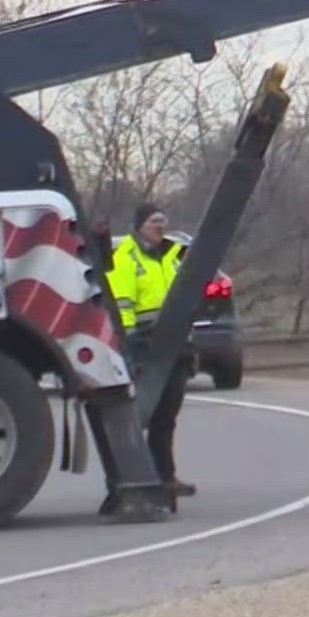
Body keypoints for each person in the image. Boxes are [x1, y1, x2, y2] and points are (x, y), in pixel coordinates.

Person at [106, 202, 197, 498]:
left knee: (166, 417)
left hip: (175, 345)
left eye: (163, 220)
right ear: (139, 226)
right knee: (144, 415)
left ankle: (165, 476)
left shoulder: (172, 256)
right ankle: (139, 476)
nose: (160, 225)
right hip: (146, 346)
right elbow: (122, 303)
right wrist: (128, 344)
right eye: (154, 221)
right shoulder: (125, 257)